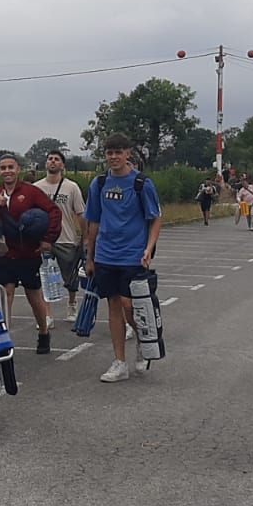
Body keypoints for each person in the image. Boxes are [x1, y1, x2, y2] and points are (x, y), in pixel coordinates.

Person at [85, 134, 164, 383]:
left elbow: (155, 218)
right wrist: (90, 257)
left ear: (128, 153)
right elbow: (93, 221)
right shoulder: (99, 183)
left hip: (133, 255)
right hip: (106, 254)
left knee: (131, 306)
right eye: (109, 152)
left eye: (118, 152)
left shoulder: (141, 183)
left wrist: (148, 249)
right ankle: (119, 361)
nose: (114, 157)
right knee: (113, 306)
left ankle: (143, 341)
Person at [0, 152, 63, 353]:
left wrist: (48, 239)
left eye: (10, 167)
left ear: (18, 169)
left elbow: (54, 212)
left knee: (34, 297)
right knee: (5, 295)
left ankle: (44, 332)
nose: (7, 171)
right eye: (3, 168)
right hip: (5, 254)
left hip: (29, 254)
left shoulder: (31, 192)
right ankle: (2, 343)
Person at [34, 150, 88, 322]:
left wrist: (85, 237)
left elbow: (80, 213)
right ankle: (47, 313)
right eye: (50, 159)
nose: (52, 162)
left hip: (66, 238)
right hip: (44, 240)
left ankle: (72, 303)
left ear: (62, 165)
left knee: (70, 277)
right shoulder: (36, 187)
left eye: (57, 159)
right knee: (46, 277)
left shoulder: (71, 187)